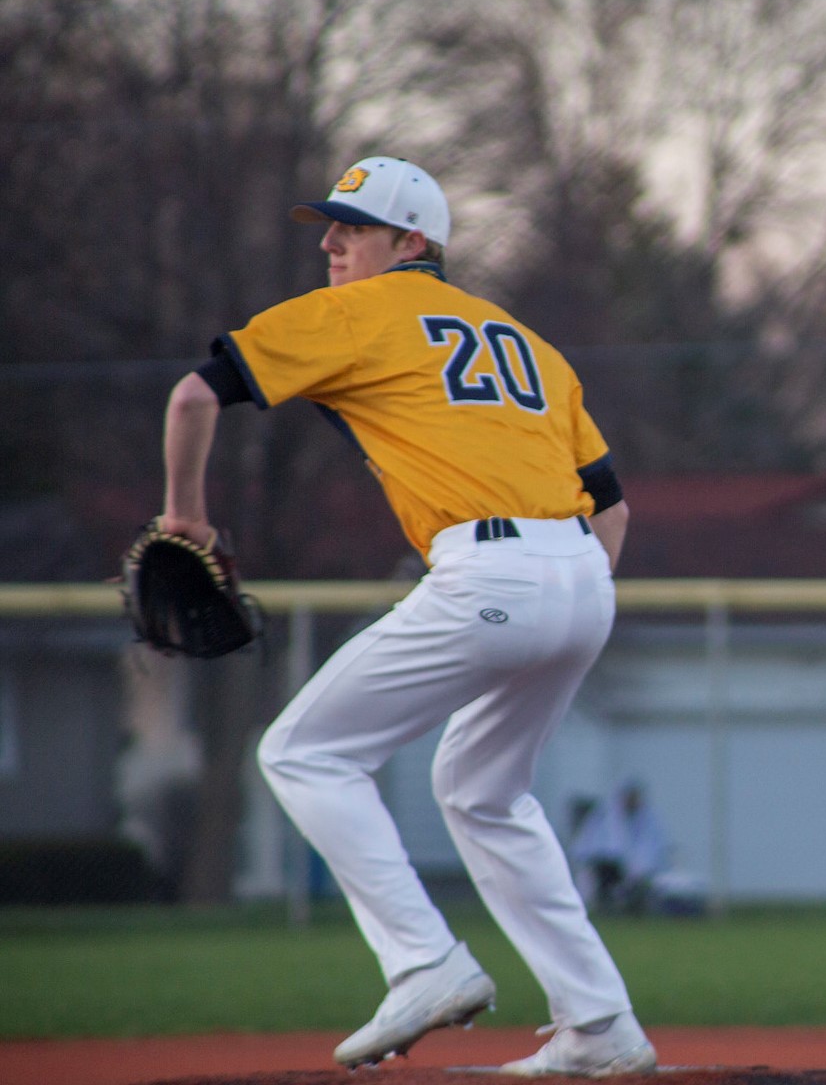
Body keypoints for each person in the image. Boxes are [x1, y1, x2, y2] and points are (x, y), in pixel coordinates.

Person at [157, 156, 655, 1077]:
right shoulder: (527, 341)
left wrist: (183, 516)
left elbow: (193, 394)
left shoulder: (362, 312)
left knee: (304, 752)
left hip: (487, 571)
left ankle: (423, 962)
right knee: (483, 790)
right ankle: (600, 1024)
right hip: (585, 578)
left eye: (355, 228)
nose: (332, 242)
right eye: (330, 225)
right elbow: (612, 508)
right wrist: (567, 599)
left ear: (413, 245)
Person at [570, 780, 669, 914]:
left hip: (637, 874)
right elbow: (590, 847)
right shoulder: (605, 817)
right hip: (605, 869)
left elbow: (652, 849)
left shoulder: (648, 820)